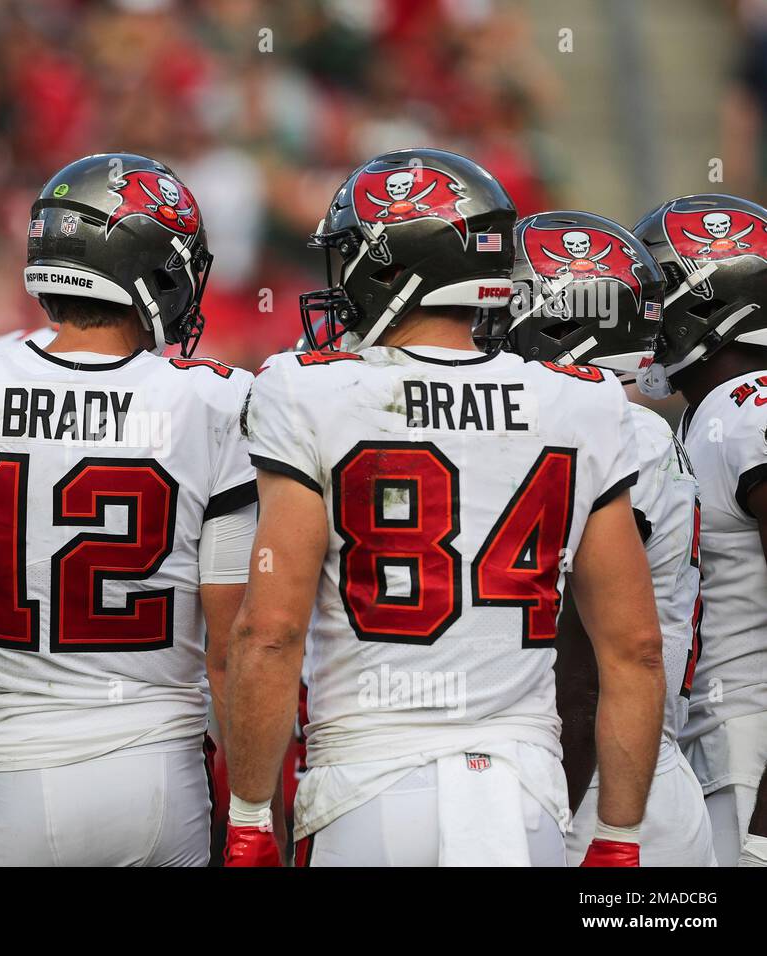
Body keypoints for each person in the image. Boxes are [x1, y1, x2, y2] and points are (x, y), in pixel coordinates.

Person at [224, 148, 665, 867]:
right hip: (523, 793)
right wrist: (617, 837)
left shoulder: (310, 391)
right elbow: (636, 651)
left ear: (392, 267)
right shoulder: (578, 401)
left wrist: (247, 816)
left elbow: (270, 632)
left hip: (364, 786)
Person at [0, 152, 255, 866]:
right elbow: (231, 652)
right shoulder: (213, 400)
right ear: (152, 270)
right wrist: (252, 815)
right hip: (163, 780)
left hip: (9, 778)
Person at [501, 209, 715, 866]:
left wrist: (554, 819)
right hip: (618, 774)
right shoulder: (625, 427)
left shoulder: (615, 433)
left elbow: (590, 671)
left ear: (558, 319)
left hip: (600, 789)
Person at [633, 193, 767, 865]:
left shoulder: (748, 412)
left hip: (751, 748)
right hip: (716, 742)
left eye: (657, 293)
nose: (644, 316)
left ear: (709, 303)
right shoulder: (713, 413)